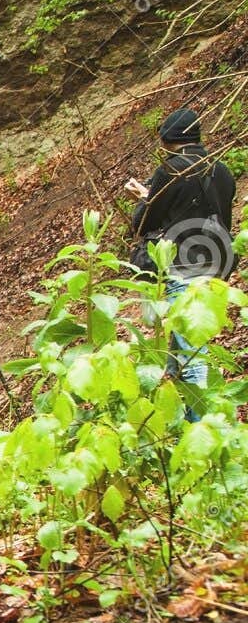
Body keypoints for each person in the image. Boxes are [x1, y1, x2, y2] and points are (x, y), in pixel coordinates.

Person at [125, 107, 237, 414]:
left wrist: (146, 199)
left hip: (180, 269)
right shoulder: (222, 170)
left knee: (192, 359)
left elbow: (144, 223)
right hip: (215, 270)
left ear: (167, 139)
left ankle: (202, 436)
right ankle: (182, 426)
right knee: (179, 354)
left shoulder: (171, 170)